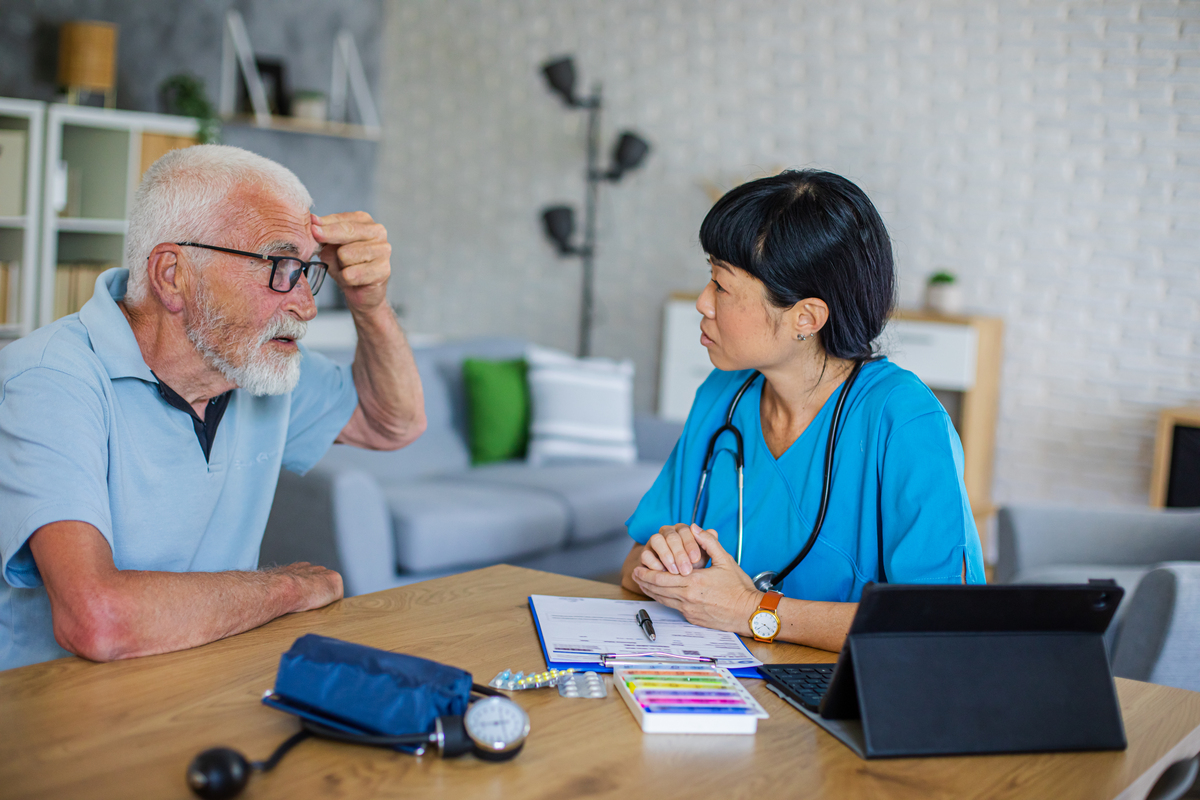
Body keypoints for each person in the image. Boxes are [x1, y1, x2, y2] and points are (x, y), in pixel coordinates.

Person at [0, 145, 426, 670]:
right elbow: (97, 619)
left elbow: (393, 423)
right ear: (172, 274)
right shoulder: (47, 380)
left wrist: (371, 303)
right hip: (57, 721)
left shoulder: (252, 365)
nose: (307, 305)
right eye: (280, 266)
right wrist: (287, 588)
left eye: (308, 271)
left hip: (203, 689)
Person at [621, 169, 985, 652]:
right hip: (720, 682)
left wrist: (754, 611)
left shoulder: (904, 421)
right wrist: (665, 562)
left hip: (847, 701)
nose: (703, 303)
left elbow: (943, 627)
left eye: (722, 285)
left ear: (806, 318)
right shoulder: (722, 395)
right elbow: (632, 565)